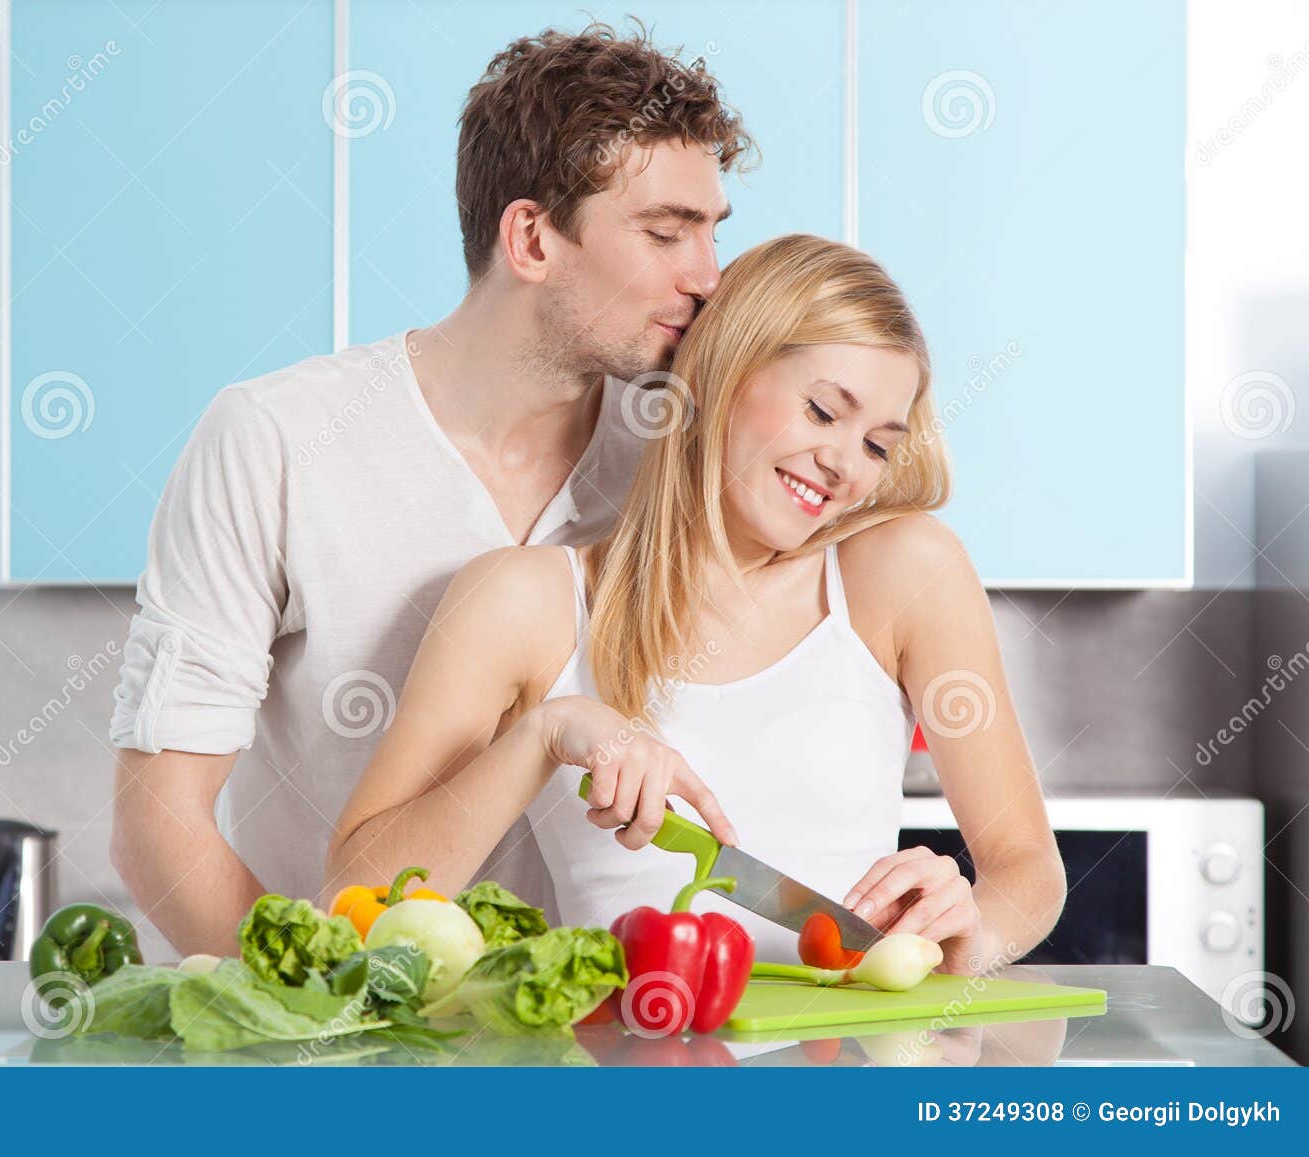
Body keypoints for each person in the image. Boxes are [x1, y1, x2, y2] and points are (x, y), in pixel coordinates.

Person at [107, 22, 754, 955]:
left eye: (712, 233)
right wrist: (319, 1016)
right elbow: (156, 823)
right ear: (532, 237)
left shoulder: (681, 456)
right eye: (666, 233)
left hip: (602, 1046)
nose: (709, 278)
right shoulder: (276, 441)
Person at [324, 234, 1067, 973]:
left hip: (852, 1070)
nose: (844, 464)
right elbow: (350, 901)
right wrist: (545, 734)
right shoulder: (522, 603)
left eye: (877, 444)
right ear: (719, 372)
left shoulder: (904, 573)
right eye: (821, 411)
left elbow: (1026, 867)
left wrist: (971, 930)